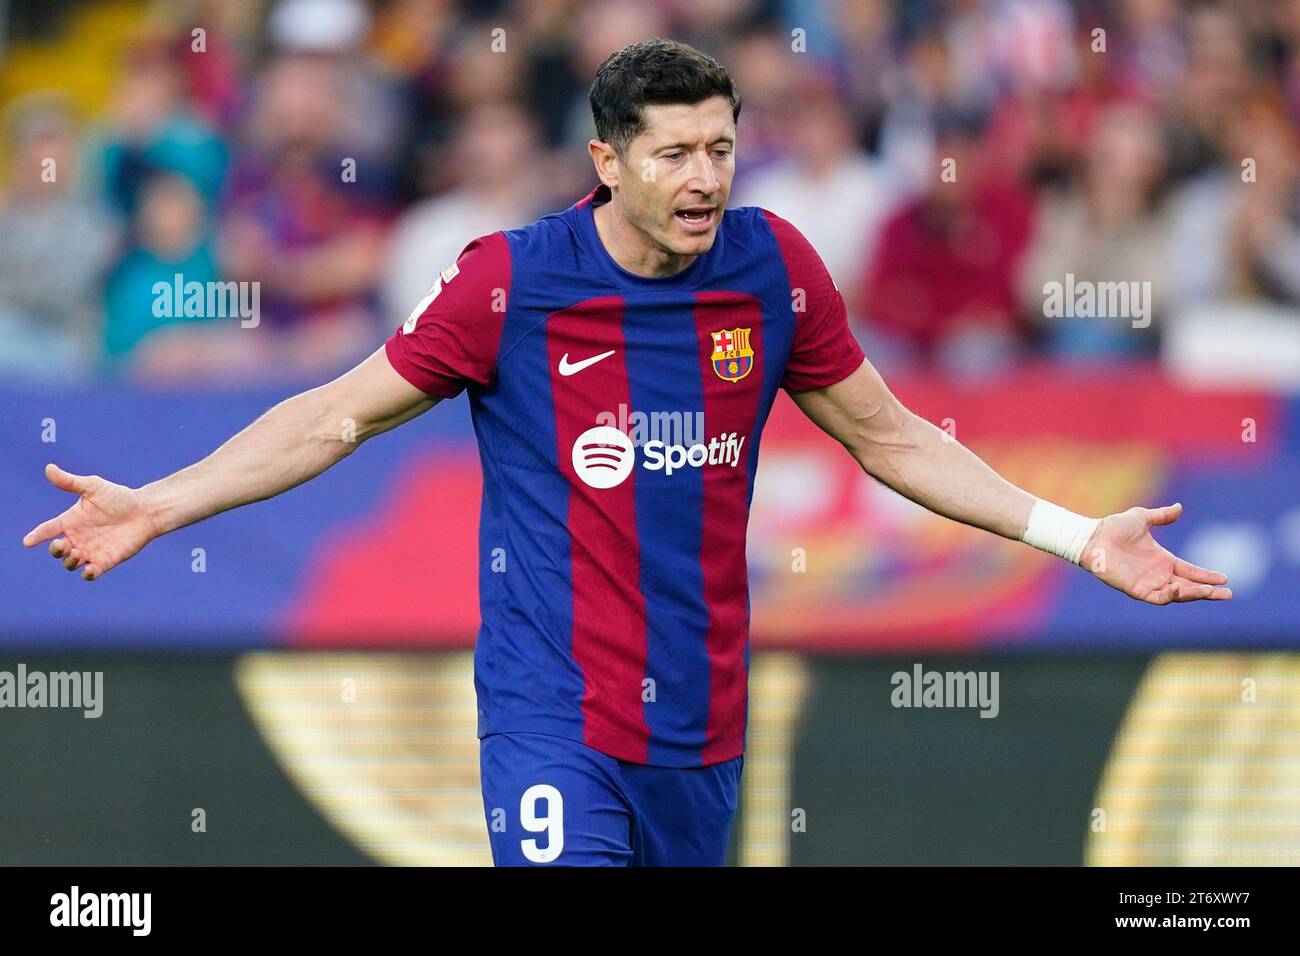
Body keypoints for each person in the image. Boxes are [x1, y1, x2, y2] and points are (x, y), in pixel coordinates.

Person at [22, 39, 1231, 867]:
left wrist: (1076, 534)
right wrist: (162, 503)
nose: (703, 178)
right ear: (607, 162)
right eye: (672, 154)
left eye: (719, 148)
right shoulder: (512, 283)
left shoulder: (773, 269)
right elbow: (334, 413)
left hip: (702, 727)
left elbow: (892, 436)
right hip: (555, 712)